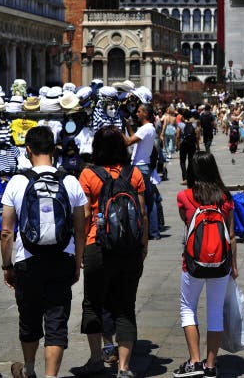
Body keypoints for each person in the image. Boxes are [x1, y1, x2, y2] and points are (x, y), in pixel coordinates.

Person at [0, 126, 87, 378]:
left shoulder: (18, 181)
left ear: (28, 150)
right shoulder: (70, 181)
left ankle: (28, 370)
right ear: (53, 150)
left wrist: (7, 267)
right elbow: (80, 230)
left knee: (29, 318)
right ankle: (50, 376)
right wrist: (77, 262)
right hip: (62, 259)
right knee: (56, 322)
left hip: (27, 260)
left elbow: (6, 231)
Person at [74, 127, 148, 378]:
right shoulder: (134, 173)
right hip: (130, 249)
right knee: (126, 306)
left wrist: (80, 250)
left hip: (97, 246)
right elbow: (142, 214)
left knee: (92, 304)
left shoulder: (87, 174)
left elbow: (84, 216)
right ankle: (124, 368)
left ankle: (97, 358)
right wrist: (143, 246)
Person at [174, 152, 238, 378]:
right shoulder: (226, 198)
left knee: (188, 307)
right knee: (215, 311)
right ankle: (211, 366)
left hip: (192, 262)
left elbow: (187, 223)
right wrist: (234, 265)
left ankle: (194, 361)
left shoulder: (184, 196)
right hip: (221, 262)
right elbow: (230, 235)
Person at [124, 103, 159, 240]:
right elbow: (134, 138)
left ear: (145, 113)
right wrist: (127, 126)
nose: (137, 114)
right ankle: (153, 230)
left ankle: (151, 231)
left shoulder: (146, 129)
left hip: (140, 166)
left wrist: (117, 130)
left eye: (139, 111)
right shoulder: (147, 128)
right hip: (143, 165)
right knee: (149, 198)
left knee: (145, 200)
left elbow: (128, 142)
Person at [177, 110, 197, 186]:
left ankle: (185, 178)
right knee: (191, 160)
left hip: (183, 144)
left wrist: (177, 145)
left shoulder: (180, 125)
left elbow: (178, 136)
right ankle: (190, 176)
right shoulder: (194, 125)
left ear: (183, 116)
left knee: (182, 161)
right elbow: (197, 136)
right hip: (192, 144)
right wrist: (197, 146)